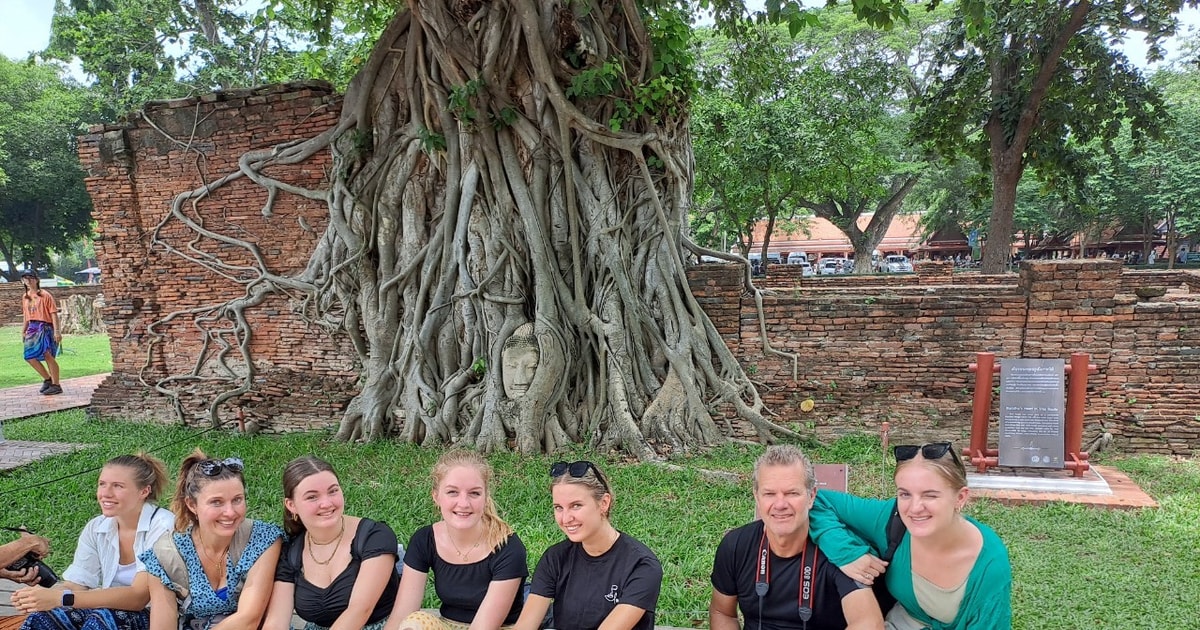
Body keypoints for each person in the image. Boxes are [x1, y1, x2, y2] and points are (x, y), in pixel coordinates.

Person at [809, 442, 1012, 630]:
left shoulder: (989, 565)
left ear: (960, 497)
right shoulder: (892, 518)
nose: (915, 508)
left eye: (930, 495)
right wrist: (847, 554)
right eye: (905, 494)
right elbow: (817, 501)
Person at [709, 445, 883, 630]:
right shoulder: (736, 545)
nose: (780, 504)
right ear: (757, 497)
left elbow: (868, 623)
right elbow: (722, 612)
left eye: (792, 493)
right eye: (769, 494)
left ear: (811, 496)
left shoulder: (838, 551)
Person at [10, 454, 176, 630]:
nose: (105, 493)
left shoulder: (163, 526)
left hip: (156, 616)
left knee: (101, 619)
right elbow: (76, 584)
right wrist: (38, 597)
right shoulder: (97, 527)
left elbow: (138, 597)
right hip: (109, 610)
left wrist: (61, 598)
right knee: (43, 618)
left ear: (144, 491)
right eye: (102, 484)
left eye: (118, 486)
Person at [140, 450, 282, 630]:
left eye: (237, 499)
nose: (230, 512)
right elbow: (163, 625)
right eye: (217, 502)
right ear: (192, 505)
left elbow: (248, 620)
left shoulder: (262, 539)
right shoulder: (167, 554)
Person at [513, 460, 661, 630]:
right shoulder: (555, 558)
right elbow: (525, 625)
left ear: (604, 503)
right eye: (558, 507)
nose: (566, 518)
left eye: (576, 506)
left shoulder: (641, 565)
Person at [387, 450, 526, 630]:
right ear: (436, 496)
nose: (463, 503)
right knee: (414, 623)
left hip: (497, 627)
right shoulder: (424, 540)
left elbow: (484, 626)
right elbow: (402, 613)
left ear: (485, 497)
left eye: (474, 493)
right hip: (446, 625)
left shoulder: (508, 547)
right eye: (452, 492)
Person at [265, 456, 400, 630]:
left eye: (333, 491)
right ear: (291, 505)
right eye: (312, 497)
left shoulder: (374, 536)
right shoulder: (291, 551)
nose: (326, 503)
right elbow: (276, 621)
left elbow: (360, 610)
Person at [20, 271, 62, 396]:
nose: (28, 281)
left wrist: (57, 331)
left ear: (36, 280)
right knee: (29, 356)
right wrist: (23, 330)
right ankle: (48, 379)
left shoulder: (45, 295)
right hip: (32, 328)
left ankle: (56, 384)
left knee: (48, 355)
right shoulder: (25, 296)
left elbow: (53, 313)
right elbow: (26, 316)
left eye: (31, 278)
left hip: (45, 327)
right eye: (25, 279)